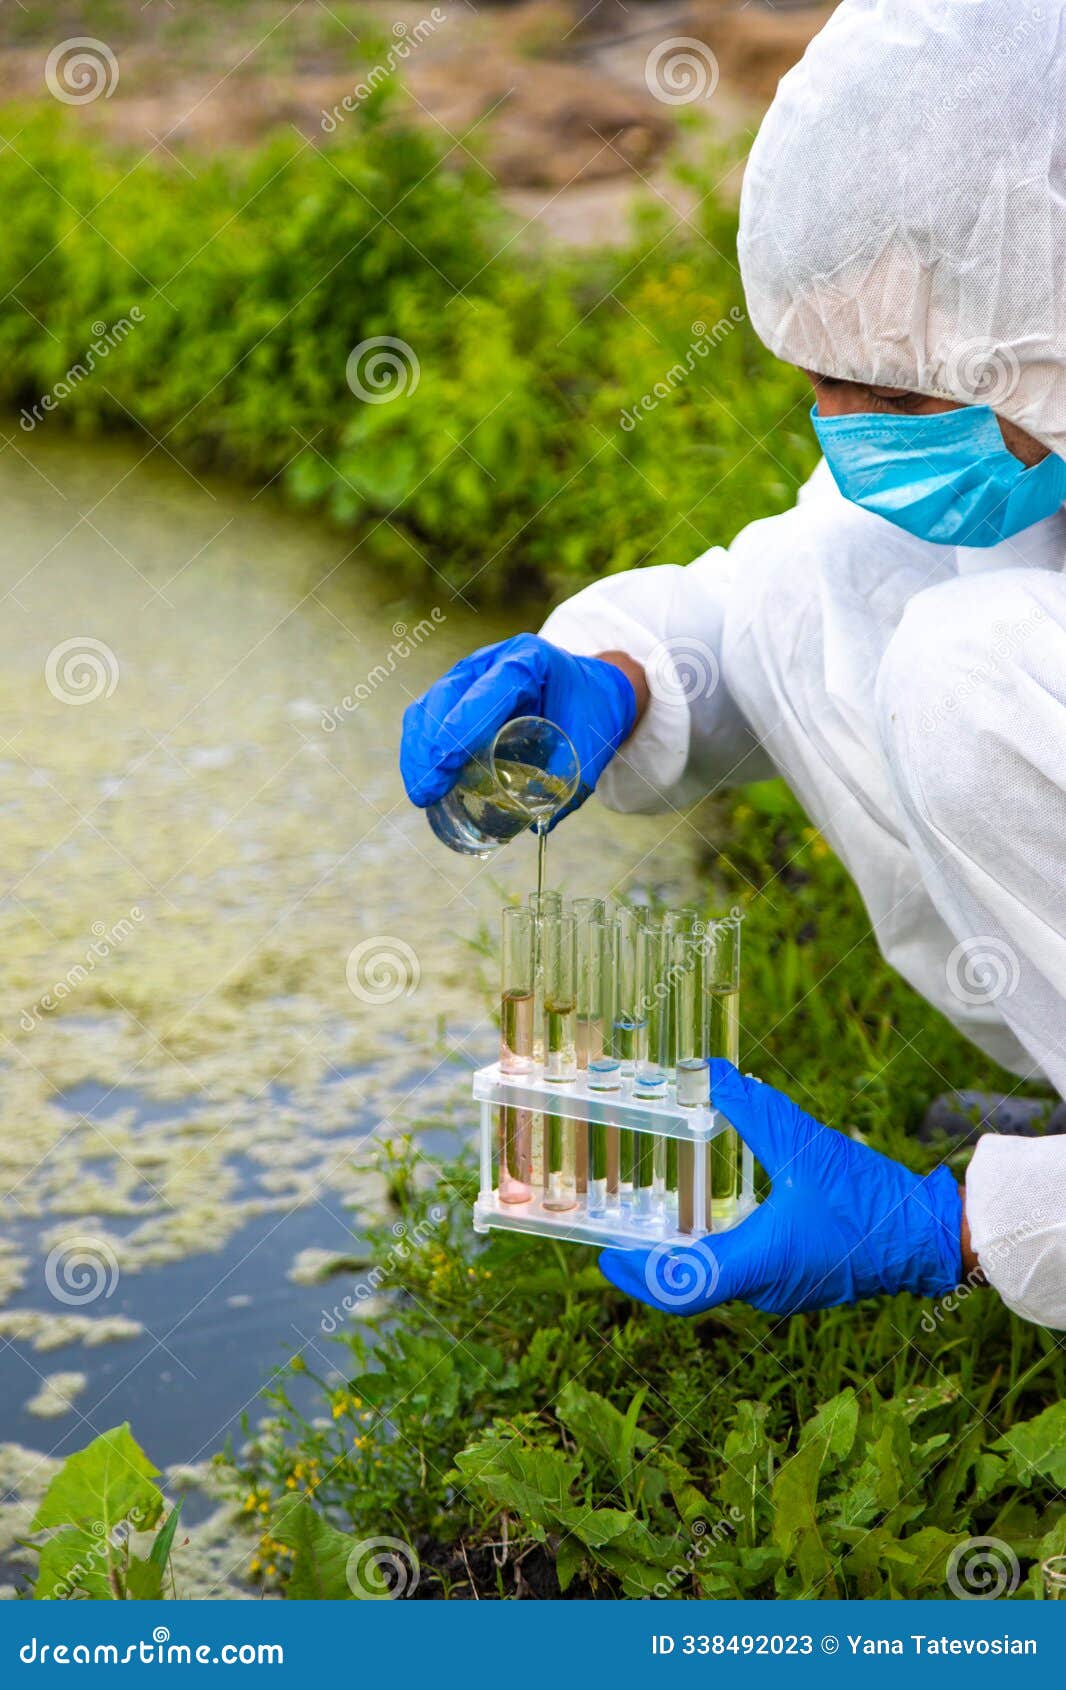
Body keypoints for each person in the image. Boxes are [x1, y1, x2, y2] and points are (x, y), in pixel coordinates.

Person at [400, 0, 1066, 1331]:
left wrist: (966, 1229)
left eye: (894, 390)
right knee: (854, 579)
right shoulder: (1021, 409)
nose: (838, 425)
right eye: (825, 375)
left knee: (968, 663)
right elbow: (769, 600)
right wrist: (612, 678)